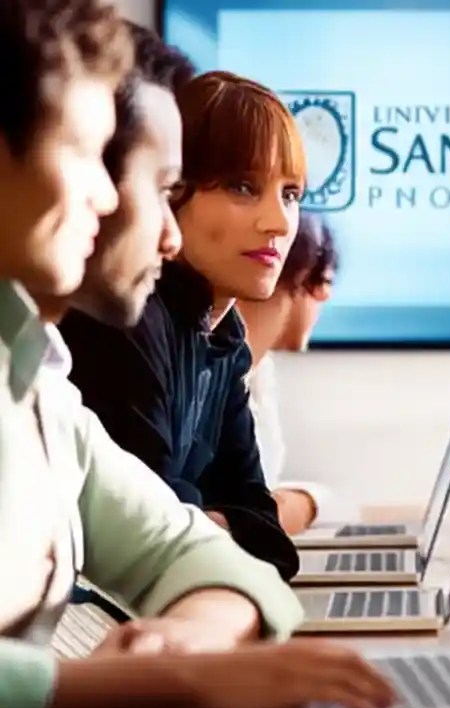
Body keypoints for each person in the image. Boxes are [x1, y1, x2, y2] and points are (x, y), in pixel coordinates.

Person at [0, 3, 393, 708]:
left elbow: (219, 551)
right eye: (84, 152)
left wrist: (182, 643)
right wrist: (176, 678)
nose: (106, 196)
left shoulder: (42, 388)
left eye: (291, 195)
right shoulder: (104, 346)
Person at [59, 69, 306, 580]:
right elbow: (150, 541)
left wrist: (201, 519)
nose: (279, 223)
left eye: (290, 194)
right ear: (174, 192)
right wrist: (212, 522)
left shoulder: (224, 337)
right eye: (243, 187)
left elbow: (271, 541)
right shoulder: (132, 321)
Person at [237, 212, 346, 533]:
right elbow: (247, 515)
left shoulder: (260, 371)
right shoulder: (211, 372)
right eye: (326, 281)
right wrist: (282, 509)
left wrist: (302, 503)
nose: (325, 296)